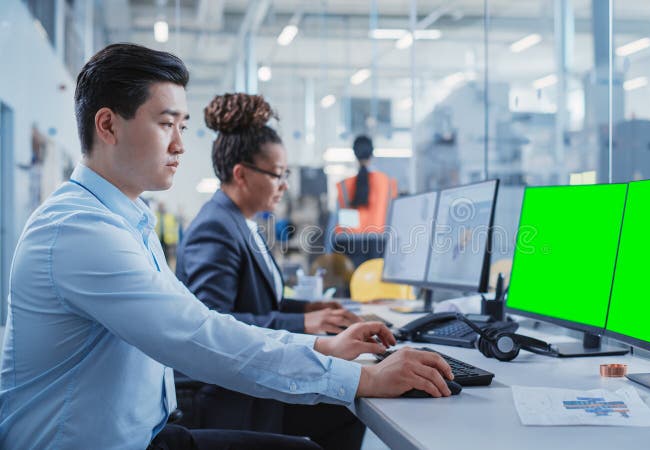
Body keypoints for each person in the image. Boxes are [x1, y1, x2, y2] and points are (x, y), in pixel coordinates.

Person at [0, 43, 455, 450]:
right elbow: (197, 337)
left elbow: (205, 321)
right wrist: (362, 376)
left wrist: (324, 348)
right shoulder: (81, 231)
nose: (180, 144)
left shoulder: (129, 220)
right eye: (165, 124)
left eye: (182, 125)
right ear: (108, 125)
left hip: (150, 433)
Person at [174, 93, 364, 447]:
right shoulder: (214, 227)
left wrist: (310, 310)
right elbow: (216, 323)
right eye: (277, 175)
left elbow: (262, 303)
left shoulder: (242, 222)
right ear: (241, 175)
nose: (284, 185)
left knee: (345, 407)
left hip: (245, 380)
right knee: (343, 405)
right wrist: (306, 325)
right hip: (222, 395)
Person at [333, 136, 398, 267]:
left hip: (352, 246)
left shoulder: (345, 185)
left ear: (354, 154)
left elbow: (340, 221)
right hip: (380, 246)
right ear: (372, 153)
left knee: (354, 285)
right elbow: (393, 216)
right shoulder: (388, 183)